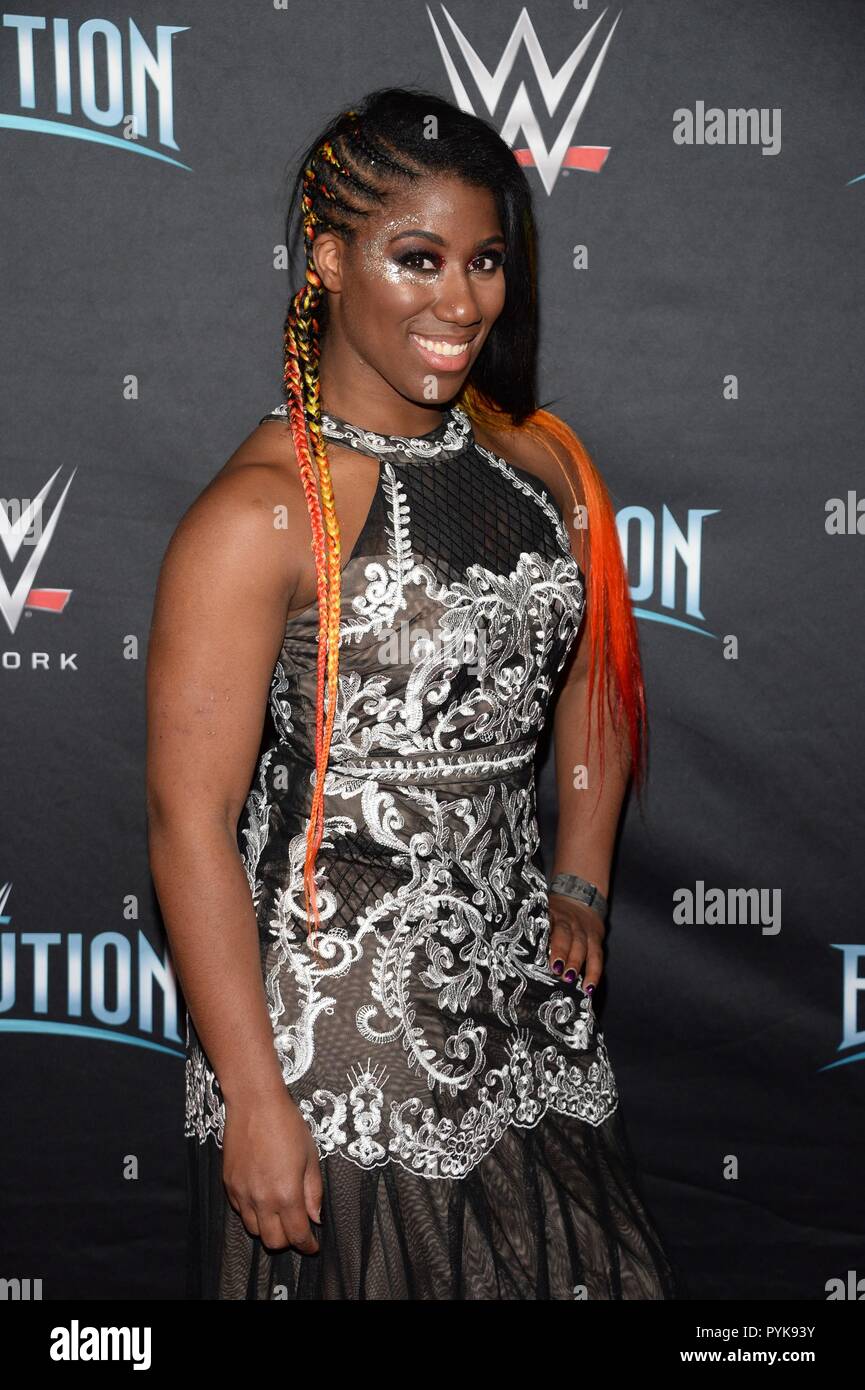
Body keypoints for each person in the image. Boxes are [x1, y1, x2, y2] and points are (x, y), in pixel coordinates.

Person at [146, 86, 682, 1300]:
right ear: (328, 260)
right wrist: (254, 1096)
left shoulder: (544, 465)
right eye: (418, 258)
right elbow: (190, 824)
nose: (463, 303)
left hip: (525, 1009)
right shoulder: (258, 515)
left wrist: (579, 881)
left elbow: (596, 676)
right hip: (337, 1044)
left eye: (485, 261)